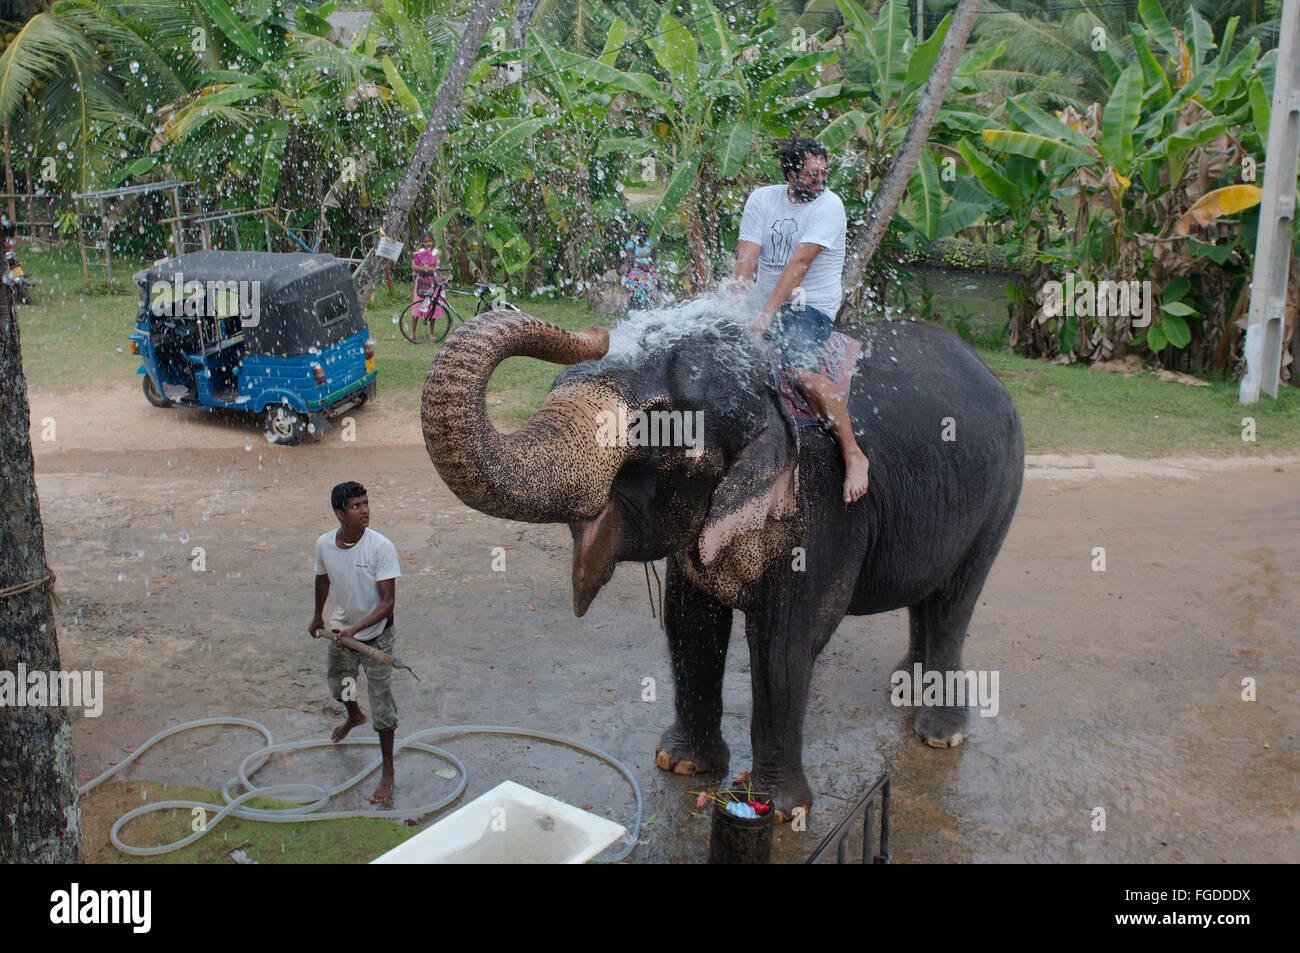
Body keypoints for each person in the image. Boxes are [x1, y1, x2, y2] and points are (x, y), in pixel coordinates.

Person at [731, 137, 870, 504]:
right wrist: (735, 305)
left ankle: (853, 453)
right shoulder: (762, 199)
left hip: (810, 304)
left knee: (799, 374)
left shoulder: (830, 206)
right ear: (789, 173)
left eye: (825, 171)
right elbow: (747, 259)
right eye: (812, 174)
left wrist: (765, 316)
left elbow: (798, 266)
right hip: (766, 301)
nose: (821, 179)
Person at [309, 481, 402, 803]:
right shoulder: (324, 544)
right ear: (339, 513)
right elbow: (322, 578)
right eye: (356, 506)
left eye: (366, 503)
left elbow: (387, 603)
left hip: (378, 637)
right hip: (341, 631)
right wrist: (318, 616)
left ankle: (387, 771)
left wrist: (357, 629)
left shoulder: (380, 547)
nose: (365, 511)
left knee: (382, 707)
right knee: (341, 685)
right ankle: (353, 715)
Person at [411, 232, 443, 339]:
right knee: (417, 306)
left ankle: (431, 333)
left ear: (433, 241)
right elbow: (414, 266)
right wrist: (427, 268)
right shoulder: (419, 253)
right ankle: (412, 333)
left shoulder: (436, 253)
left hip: (433, 282)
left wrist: (424, 268)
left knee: (432, 307)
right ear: (422, 243)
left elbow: (436, 268)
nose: (427, 243)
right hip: (421, 282)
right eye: (425, 241)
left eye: (429, 241)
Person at [622, 223, 659, 308]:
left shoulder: (649, 242)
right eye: (640, 231)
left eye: (644, 231)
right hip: (636, 267)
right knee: (637, 279)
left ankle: (651, 302)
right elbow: (631, 257)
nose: (642, 233)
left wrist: (649, 265)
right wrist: (641, 266)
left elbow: (653, 256)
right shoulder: (632, 242)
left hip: (647, 267)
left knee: (653, 279)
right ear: (636, 231)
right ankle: (635, 303)